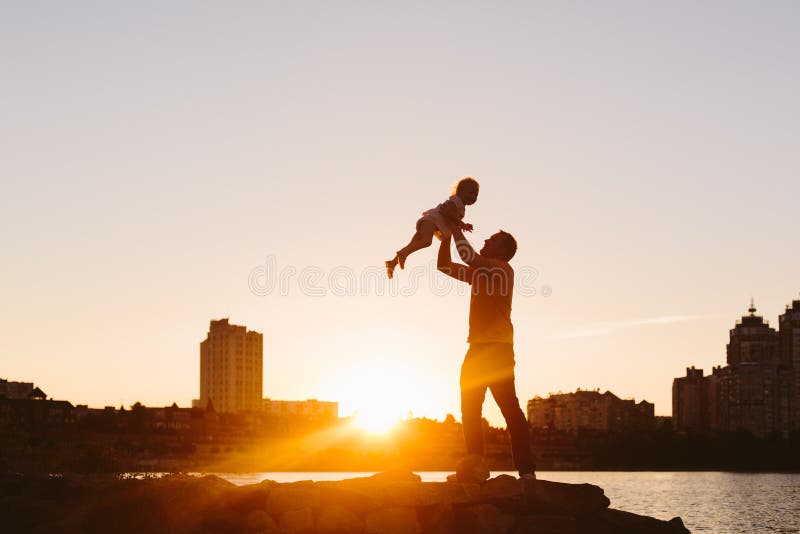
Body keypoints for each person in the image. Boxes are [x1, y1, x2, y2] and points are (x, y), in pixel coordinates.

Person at [436, 225, 536, 483]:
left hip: (497, 349)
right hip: (477, 348)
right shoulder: (479, 273)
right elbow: (444, 266)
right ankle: (474, 470)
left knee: (509, 410)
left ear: (502, 250)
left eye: (490, 240)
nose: (485, 240)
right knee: (469, 409)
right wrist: (446, 238)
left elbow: (468, 255)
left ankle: (526, 472)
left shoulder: (502, 270)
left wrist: (455, 228)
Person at [385, 177, 479, 279]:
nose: (474, 197)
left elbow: (452, 219)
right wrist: (461, 223)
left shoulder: (460, 206)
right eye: (471, 193)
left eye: (476, 195)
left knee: (413, 244)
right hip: (431, 221)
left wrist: (461, 224)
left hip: (430, 222)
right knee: (426, 241)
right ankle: (402, 254)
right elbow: (445, 211)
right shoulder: (456, 201)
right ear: (460, 192)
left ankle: (392, 263)